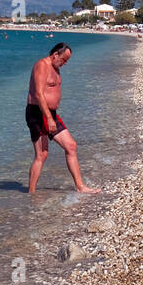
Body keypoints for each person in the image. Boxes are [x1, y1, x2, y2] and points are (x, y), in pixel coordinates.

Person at [26, 42, 100, 195]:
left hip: (50, 114)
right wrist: (49, 118)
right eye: (64, 60)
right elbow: (39, 94)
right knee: (42, 154)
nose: (65, 64)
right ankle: (31, 195)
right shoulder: (42, 65)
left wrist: (51, 116)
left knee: (71, 146)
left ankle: (80, 187)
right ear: (55, 55)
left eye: (67, 61)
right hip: (38, 112)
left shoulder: (55, 67)